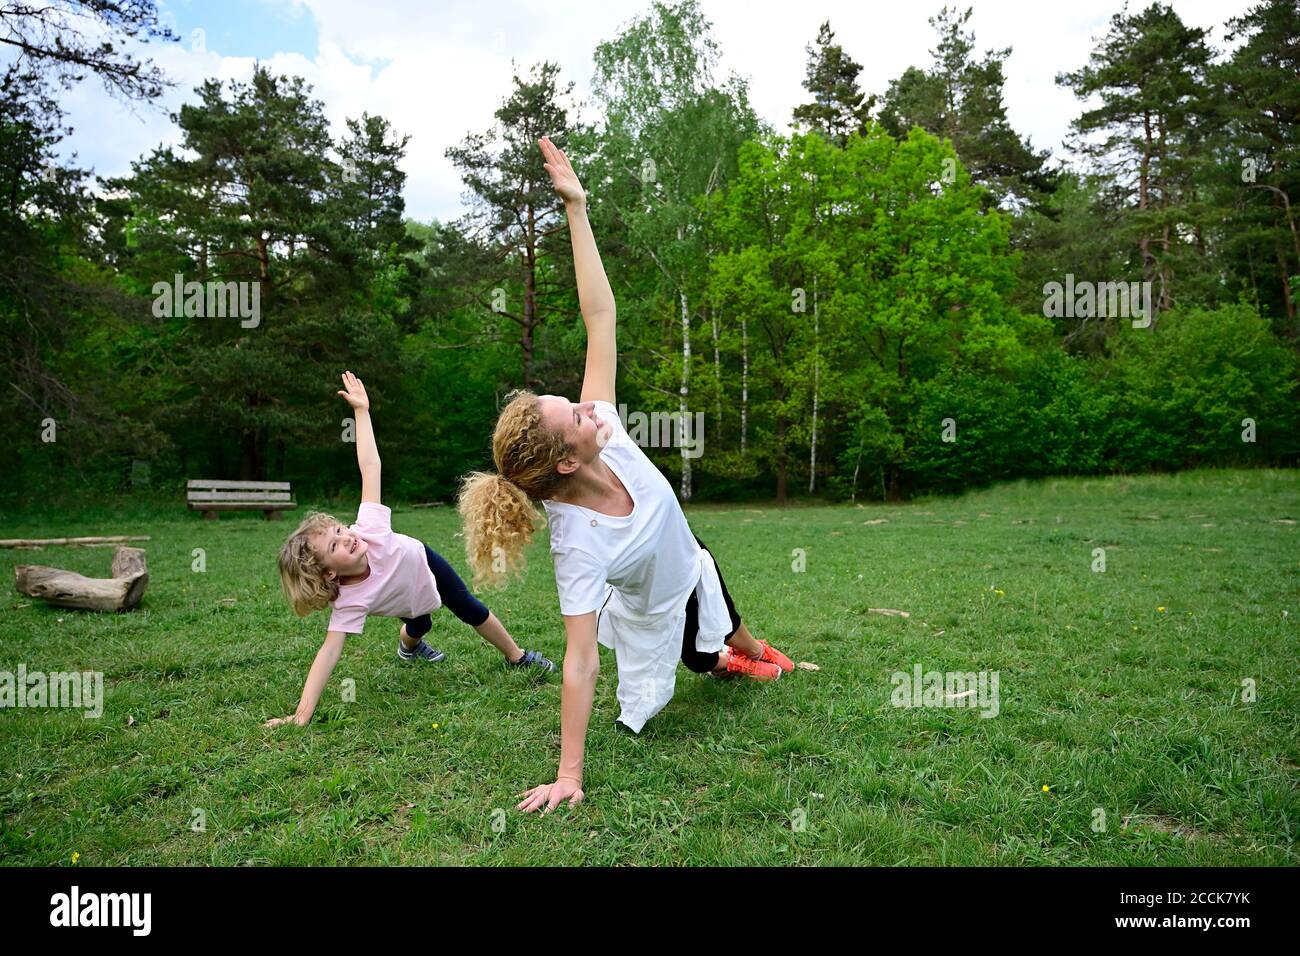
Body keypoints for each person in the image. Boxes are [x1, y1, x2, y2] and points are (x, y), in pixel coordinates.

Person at [457, 137, 794, 811]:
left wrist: (577, 209)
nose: (587, 405)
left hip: (690, 555)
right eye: (573, 413)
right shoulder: (576, 543)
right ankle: (729, 660)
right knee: (704, 656)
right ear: (567, 461)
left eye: (574, 398)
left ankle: (758, 648)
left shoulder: (599, 426)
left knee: (720, 595)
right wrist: (569, 774)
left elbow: (599, 316)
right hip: (656, 608)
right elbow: (580, 661)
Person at [268, 371, 555, 728]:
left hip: (424, 563)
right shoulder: (348, 602)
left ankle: (518, 656)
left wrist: (361, 411)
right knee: (421, 622)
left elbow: (370, 466)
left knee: (469, 607)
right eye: (335, 544)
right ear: (329, 573)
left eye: (340, 529)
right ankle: (409, 647)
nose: (347, 536)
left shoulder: (368, 528)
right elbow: (329, 652)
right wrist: (300, 715)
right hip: (404, 598)